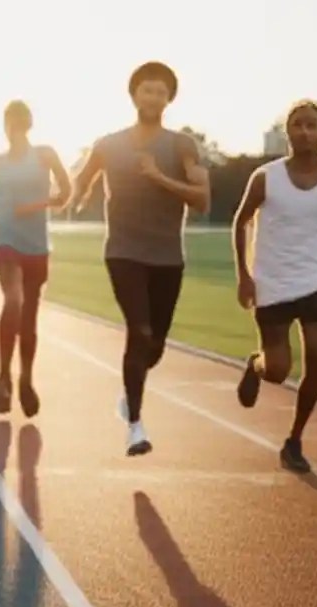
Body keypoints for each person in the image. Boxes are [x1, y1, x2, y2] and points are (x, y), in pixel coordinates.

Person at [67, 61, 210, 456]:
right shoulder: (109, 143)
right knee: (140, 331)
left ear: (169, 99)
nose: (153, 97)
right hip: (124, 251)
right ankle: (135, 425)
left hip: (167, 255)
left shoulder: (182, 145)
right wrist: (77, 195)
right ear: (134, 95)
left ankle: (129, 394)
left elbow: (202, 199)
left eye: (160, 91)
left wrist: (158, 177)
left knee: (156, 345)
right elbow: (85, 174)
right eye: (147, 90)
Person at [231, 100, 317, 473]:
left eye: (312, 125)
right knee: (277, 369)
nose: (304, 132)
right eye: (297, 125)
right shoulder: (265, 177)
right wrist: (244, 274)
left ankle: (294, 440)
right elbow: (241, 221)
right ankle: (255, 365)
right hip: (272, 279)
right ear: (288, 132)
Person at [0, 101, 71, 416]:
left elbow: (65, 194)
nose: (14, 128)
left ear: (28, 124)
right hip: (4, 240)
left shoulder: (45, 154)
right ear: (4, 125)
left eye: (19, 122)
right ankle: (3, 375)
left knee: (29, 318)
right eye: (10, 122)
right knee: (13, 300)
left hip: (37, 245)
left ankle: (26, 379)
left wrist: (34, 206)